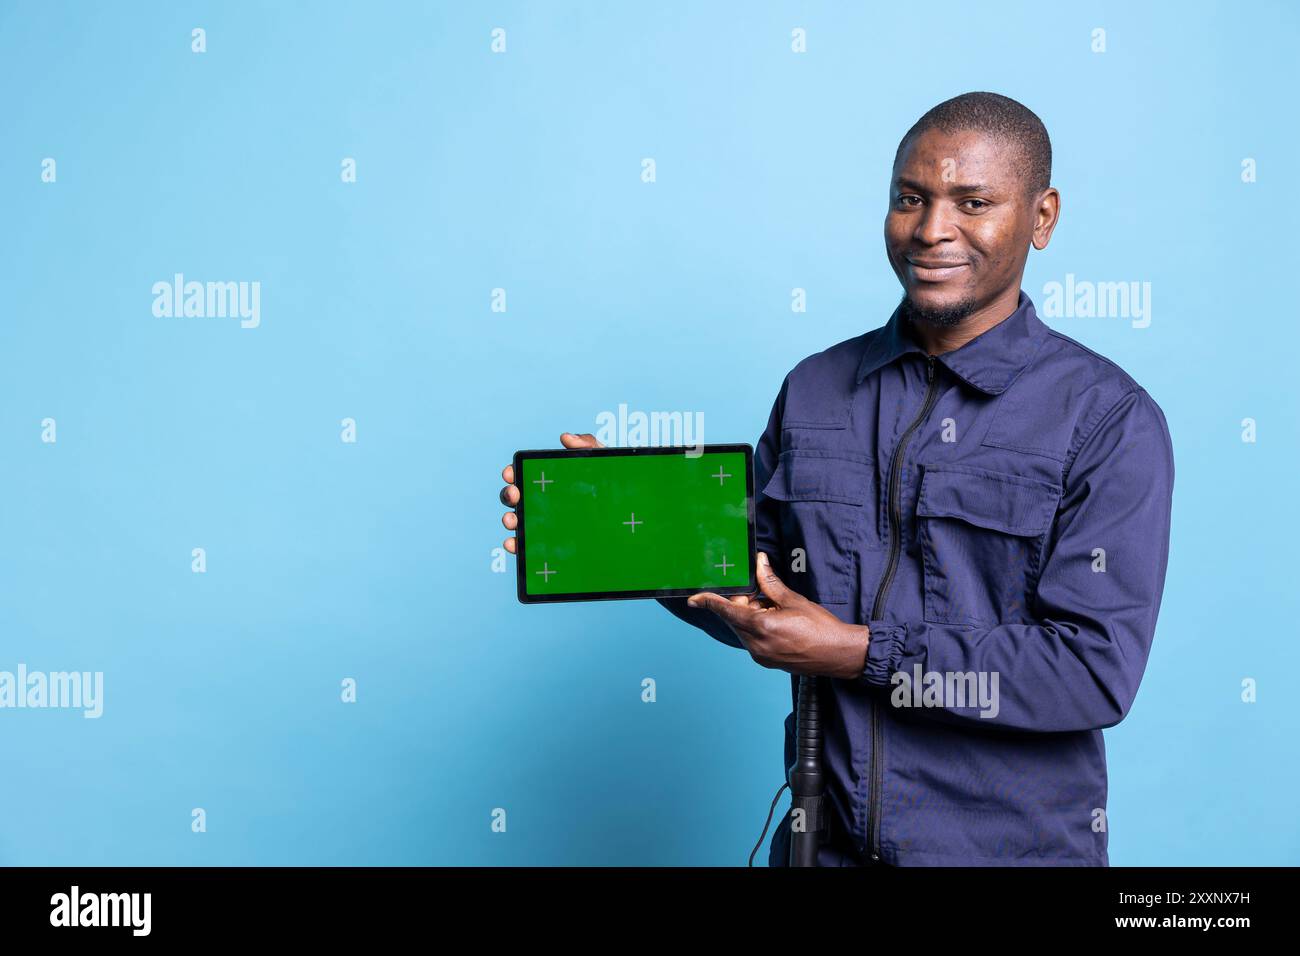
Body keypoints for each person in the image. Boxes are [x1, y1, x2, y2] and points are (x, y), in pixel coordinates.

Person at [497, 92, 1174, 867]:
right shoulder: (816, 389)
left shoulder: (1106, 420)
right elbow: (751, 581)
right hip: (824, 850)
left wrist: (858, 651)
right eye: (910, 199)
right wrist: (627, 519)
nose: (931, 230)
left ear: (1042, 217)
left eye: (973, 202)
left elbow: (1090, 672)